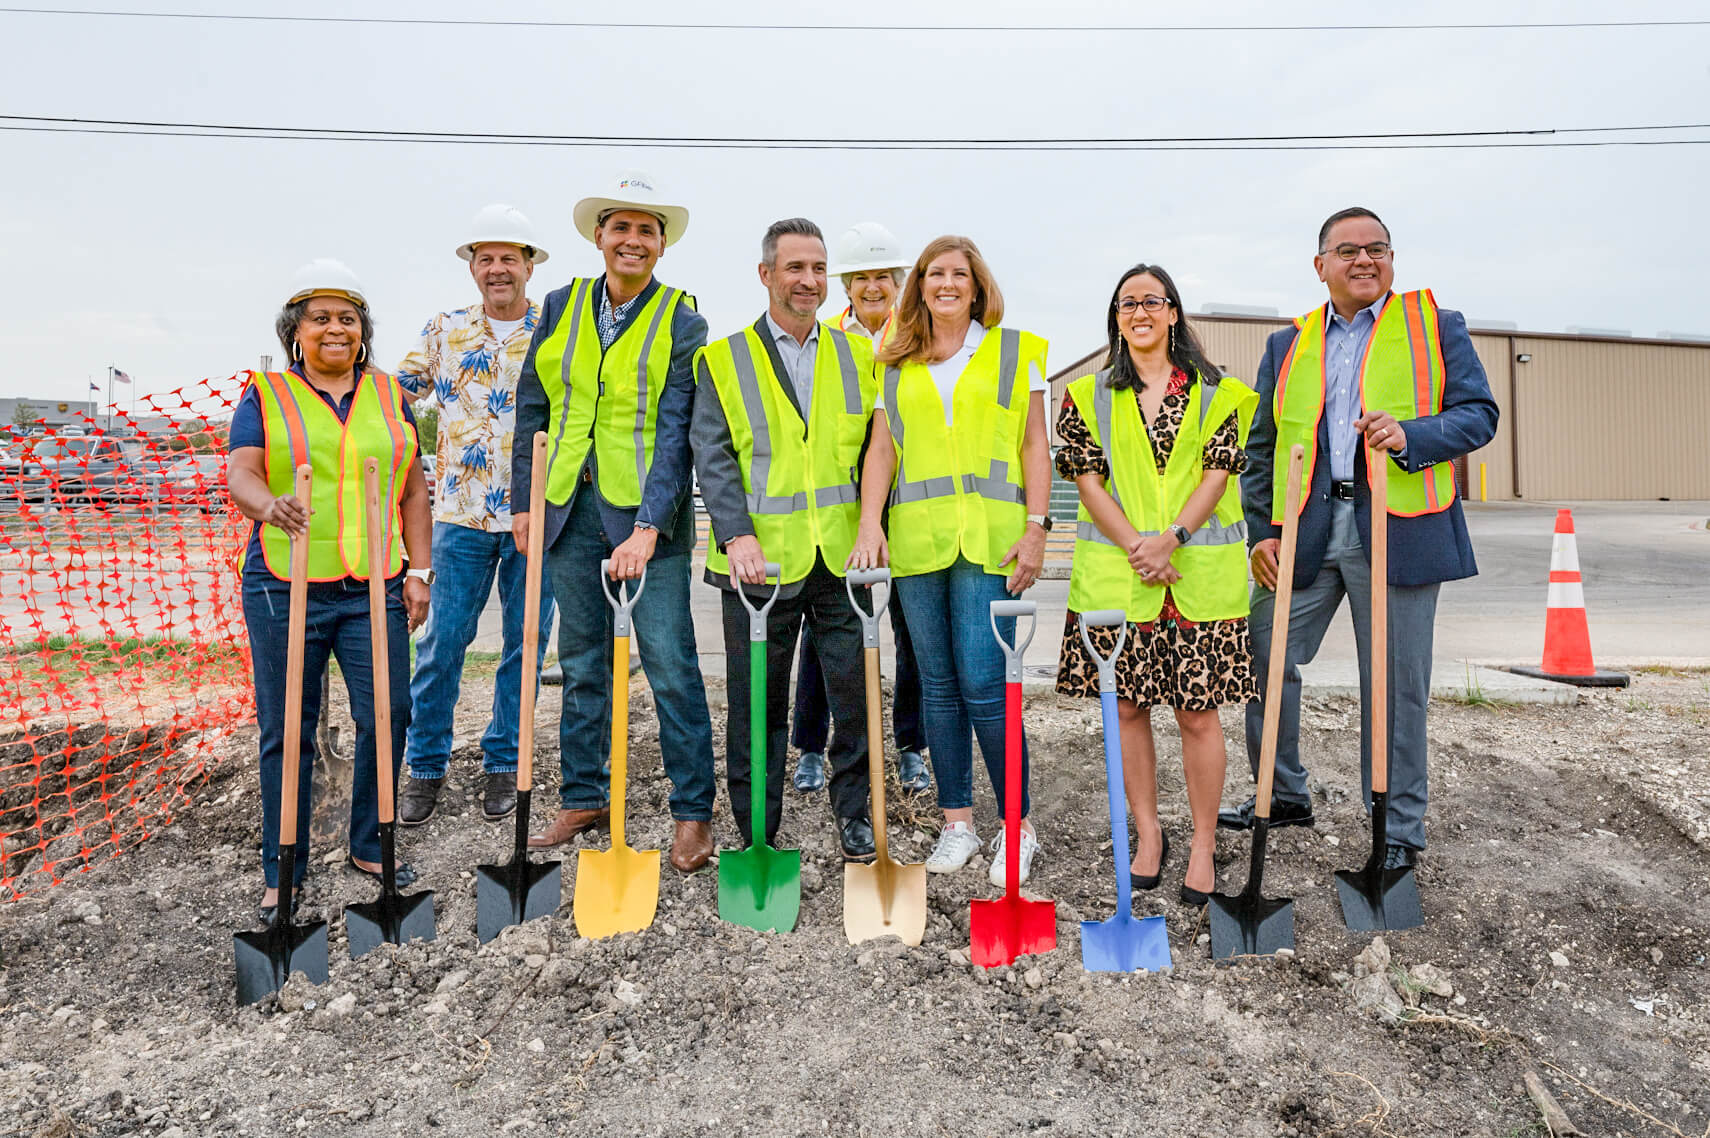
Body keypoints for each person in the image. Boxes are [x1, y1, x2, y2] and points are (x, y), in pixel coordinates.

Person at [1227, 206, 1499, 868]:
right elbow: (1261, 446)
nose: (1364, 260)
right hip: (1308, 531)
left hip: (1398, 529)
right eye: (1347, 250)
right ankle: (1283, 793)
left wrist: (1413, 435)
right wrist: (1261, 532)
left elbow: (1479, 415)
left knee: (1397, 685)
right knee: (1265, 654)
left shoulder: (1435, 327)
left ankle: (1399, 830)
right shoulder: (1287, 344)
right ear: (1320, 266)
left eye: (1377, 248)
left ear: (1392, 259)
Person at [511, 170, 717, 873]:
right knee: (581, 664)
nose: (633, 240)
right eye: (621, 227)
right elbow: (533, 407)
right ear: (599, 237)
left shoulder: (683, 321)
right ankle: (584, 795)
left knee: (670, 666)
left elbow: (678, 431)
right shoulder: (561, 306)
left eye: (646, 230)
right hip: (567, 509)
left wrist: (649, 527)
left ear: (662, 245)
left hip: (643, 523)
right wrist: (524, 504)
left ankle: (692, 813)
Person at [225, 259, 432, 921]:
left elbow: (413, 487)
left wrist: (420, 571)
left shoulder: (390, 393)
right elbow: (240, 473)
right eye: (321, 319)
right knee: (287, 729)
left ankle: (372, 843)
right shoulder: (267, 394)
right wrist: (267, 505)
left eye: (347, 318)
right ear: (297, 332)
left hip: (373, 582)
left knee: (391, 713)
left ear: (363, 331)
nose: (335, 329)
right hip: (284, 584)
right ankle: (282, 864)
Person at [848, 235, 1052, 887]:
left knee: (985, 684)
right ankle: (958, 822)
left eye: (957, 274)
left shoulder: (1017, 352)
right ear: (920, 286)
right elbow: (882, 449)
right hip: (917, 543)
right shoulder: (896, 358)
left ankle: (1018, 828)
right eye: (933, 273)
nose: (945, 283)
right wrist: (869, 525)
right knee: (935, 685)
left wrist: (1038, 528)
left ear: (977, 285)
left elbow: (1033, 447)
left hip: (988, 541)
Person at [1055, 264, 1260, 906]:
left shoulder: (1218, 393)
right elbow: (1087, 484)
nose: (1138, 311)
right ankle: (1149, 834)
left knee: (1198, 715)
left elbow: (1217, 475)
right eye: (1126, 303)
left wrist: (1170, 539)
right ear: (1115, 319)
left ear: (1173, 313)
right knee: (1124, 710)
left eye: (1151, 301)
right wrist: (1137, 549)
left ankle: (1202, 844)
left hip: (1195, 577)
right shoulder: (1087, 398)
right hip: (1120, 580)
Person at [691, 218, 879, 859]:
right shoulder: (722, 358)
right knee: (757, 703)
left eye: (819, 269)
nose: (809, 280)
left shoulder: (859, 356)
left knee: (853, 695)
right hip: (757, 567)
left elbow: (875, 453)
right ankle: (757, 829)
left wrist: (873, 528)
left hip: (841, 557)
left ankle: (854, 814)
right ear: (766, 274)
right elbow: (710, 454)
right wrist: (736, 534)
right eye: (795, 268)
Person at [394, 204, 557, 826]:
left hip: (532, 517)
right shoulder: (446, 329)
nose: (496, 269)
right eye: (484, 258)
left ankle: (503, 764)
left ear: (529, 266)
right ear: (472, 267)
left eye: (508, 259)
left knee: (525, 644)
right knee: (440, 643)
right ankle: (426, 766)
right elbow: (396, 393)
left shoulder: (554, 328)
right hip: (459, 515)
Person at [791, 221, 930, 796]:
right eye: (862, 278)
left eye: (883, 276)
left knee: (911, 632)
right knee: (827, 631)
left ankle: (911, 747)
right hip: (843, 509)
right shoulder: (825, 342)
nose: (873, 287)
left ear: (899, 282)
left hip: (911, 505)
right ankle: (809, 747)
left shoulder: (921, 340)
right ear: (845, 284)